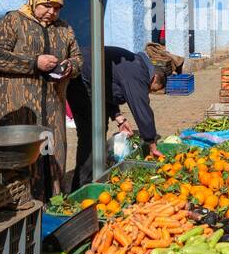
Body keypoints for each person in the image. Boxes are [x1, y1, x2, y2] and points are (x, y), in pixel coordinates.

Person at [0, 0, 83, 200]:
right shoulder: (13, 21)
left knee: (52, 154)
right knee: (23, 157)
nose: (52, 12)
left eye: (57, 7)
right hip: (18, 107)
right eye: (46, 5)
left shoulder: (64, 29)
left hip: (53, 106)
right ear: (34, 1)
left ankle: (53, 201)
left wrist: (70, 66)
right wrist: (34, 62)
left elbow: (78, 58)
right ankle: (20, 204)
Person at [69, 46, 166, 188]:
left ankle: (91, 177)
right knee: (91, 133)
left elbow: (106, 88)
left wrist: (118, 117)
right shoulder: (138, 72)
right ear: (154, 78)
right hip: (80, 78)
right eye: (151, 89)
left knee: (98, 128)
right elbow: (141, 108)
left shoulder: (135, 67)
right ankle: (82, 186)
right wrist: (151, 143)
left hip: (87, 79)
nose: (148, 91)